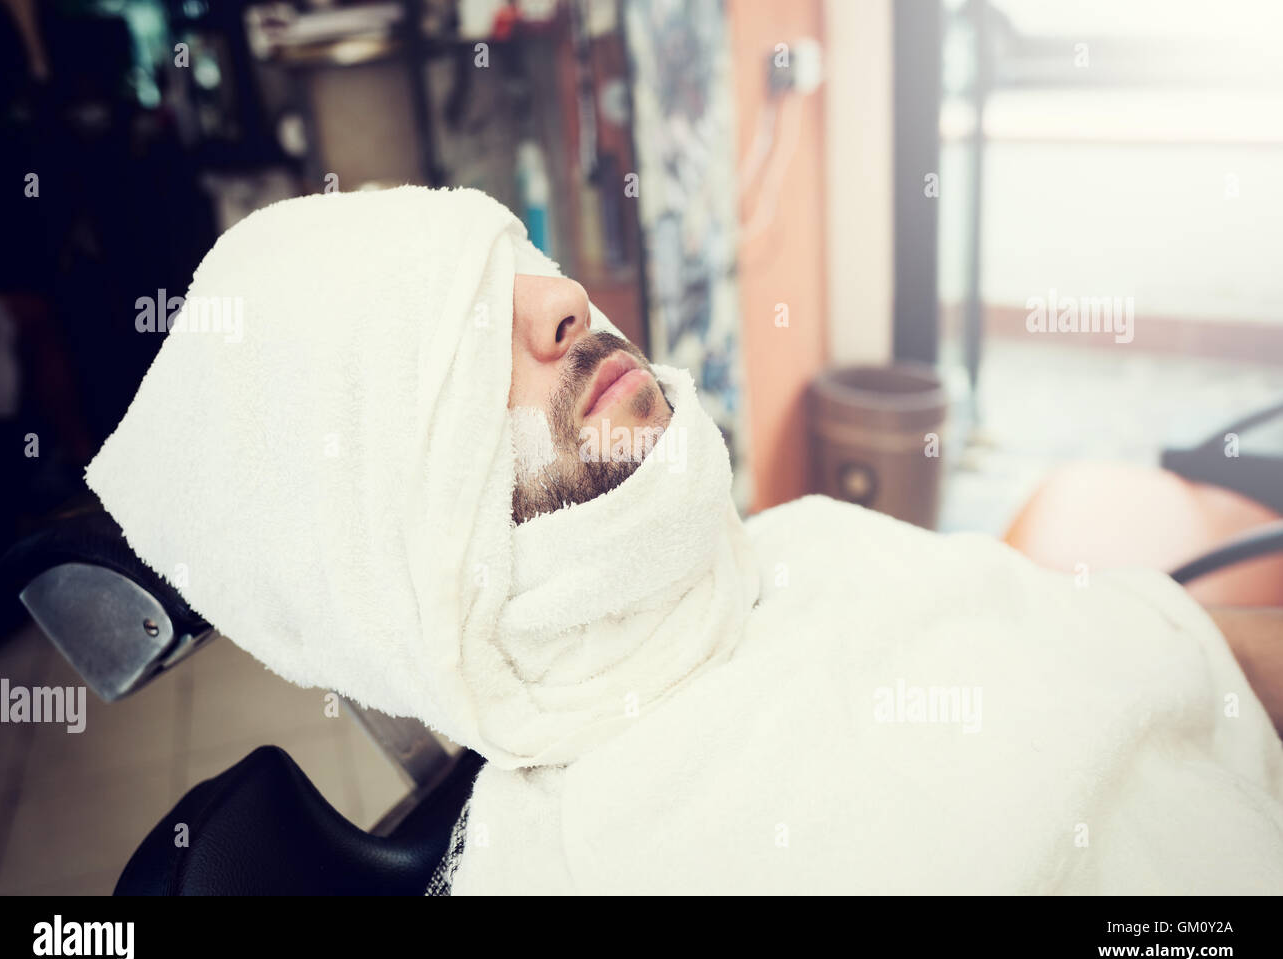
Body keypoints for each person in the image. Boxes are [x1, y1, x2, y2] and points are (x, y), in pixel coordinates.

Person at [86, 186, 1283, 894]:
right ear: (389, 529)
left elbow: (1181, 651)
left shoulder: (807, 547)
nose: (567, 304)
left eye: (530, 274)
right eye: (465, 340)